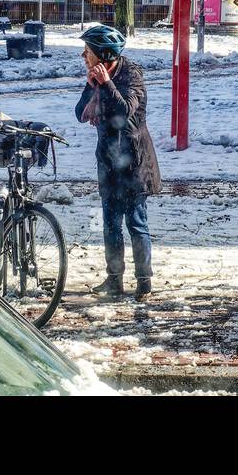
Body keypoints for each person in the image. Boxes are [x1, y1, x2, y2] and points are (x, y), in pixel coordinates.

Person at [75, 24, 161, 301]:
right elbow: (79, 113)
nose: (83, 56)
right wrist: (91, 89)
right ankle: (114, 280)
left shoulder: (131, 75)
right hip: (108, 161)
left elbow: (125, 112)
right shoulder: (96, 78)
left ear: (102, 54)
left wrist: (106, 84)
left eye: (87, 51)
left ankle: (144, 281)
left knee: (136, 222)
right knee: (111, 223)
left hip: (134, 162)